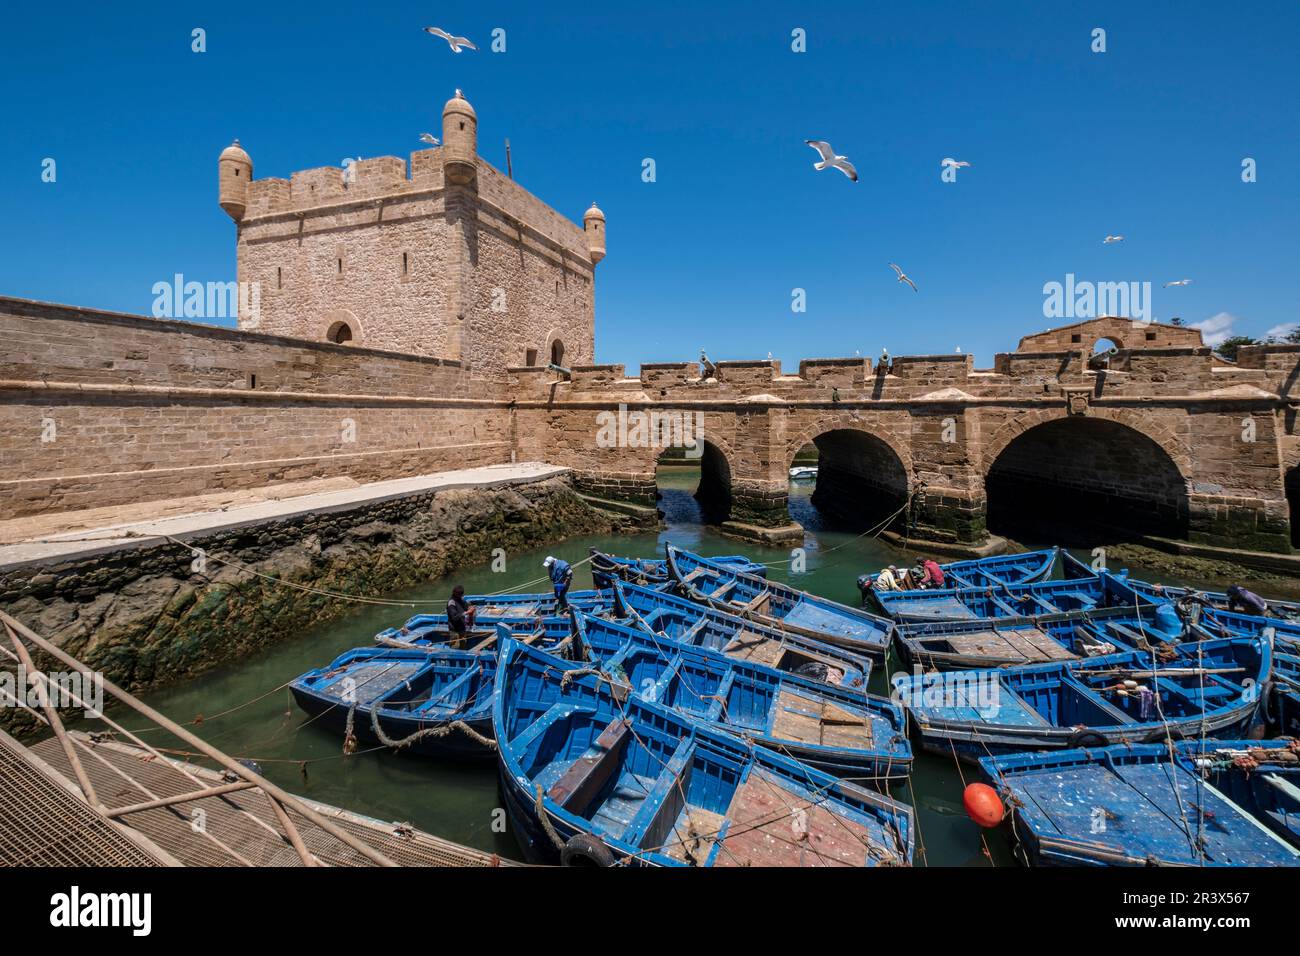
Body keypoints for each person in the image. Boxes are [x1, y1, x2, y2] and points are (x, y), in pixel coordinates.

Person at [446, 585, 476, 649]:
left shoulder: (461, 600)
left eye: (461, 594)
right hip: (454, 629)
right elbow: (454, 617)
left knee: (463, 644)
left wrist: (470, 608)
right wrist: (467, 612)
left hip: (462, 627)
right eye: (459, 594)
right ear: (454, 593)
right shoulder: (451, 603)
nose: (460, 596)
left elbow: (467, 606)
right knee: (455, 646)